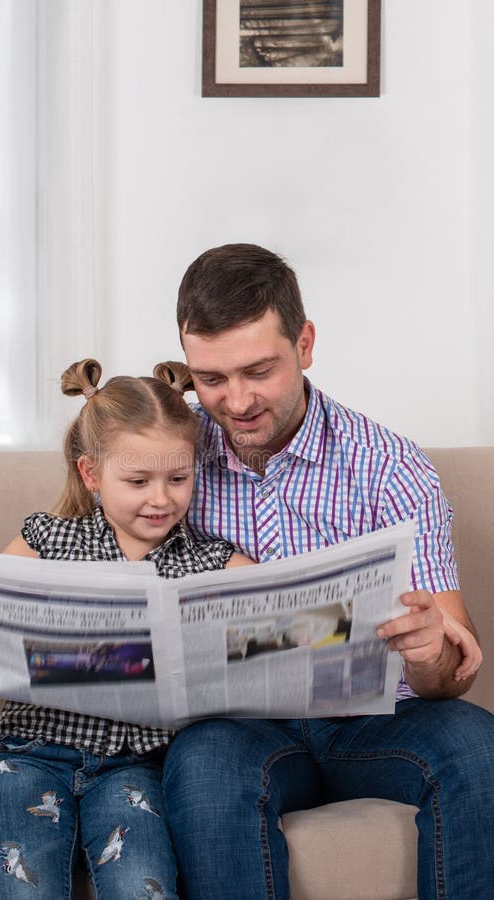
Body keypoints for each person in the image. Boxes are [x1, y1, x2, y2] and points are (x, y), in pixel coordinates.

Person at [161, 242, 494, 900]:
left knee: (478, 747)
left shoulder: (388, 465)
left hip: (377, 720)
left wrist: (430, 649)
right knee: (201, 768)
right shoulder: (169, 454)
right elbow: (73, 542)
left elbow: (453, 668)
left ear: (305, 343)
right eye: (211, 378)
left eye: (259, 370)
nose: (236, 401)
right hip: (239, 727)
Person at [0, 357, 252, 900]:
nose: (161, 498)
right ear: (92, 474)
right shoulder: (48, 539)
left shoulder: (210, 561)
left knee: (141, 888)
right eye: (138, 480)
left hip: (134, 768)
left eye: (179, 478)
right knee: (22, 889)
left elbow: (283, 612)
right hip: (28, 754)